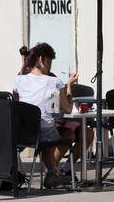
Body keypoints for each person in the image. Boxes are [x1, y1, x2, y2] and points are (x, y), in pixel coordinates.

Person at [12, 43, 79, 188]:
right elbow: (68, 109)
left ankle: (52, 172)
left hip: (23, 133)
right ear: (42, 60)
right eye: (49, 62)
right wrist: (69, 87)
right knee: (67, 135)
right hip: (45, 132)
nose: (50, 67)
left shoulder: (18, 80)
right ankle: (52, 171)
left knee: (43, 136)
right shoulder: (55, 82)